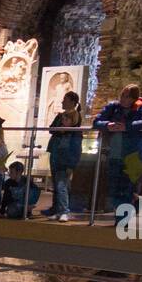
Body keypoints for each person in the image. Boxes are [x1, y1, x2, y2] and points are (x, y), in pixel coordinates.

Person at [93, 83, 142, 213]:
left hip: (132, 155)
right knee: (114, 187)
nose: (123, 99)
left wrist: (127, 126)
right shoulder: (113, 107)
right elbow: (97, 121)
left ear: (134, 98)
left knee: (127, 187)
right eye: (122, 95)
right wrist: (107, 125)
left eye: (127, 97)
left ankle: (122, 217)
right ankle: (120, 213)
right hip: (114, 153)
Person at [43, 90, 82, 221]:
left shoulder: (75, 121)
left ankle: (64, 210)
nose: (62, 101)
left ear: (72, 102)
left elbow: (75, 145)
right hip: (56, 153)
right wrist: (59, 129)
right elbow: (52, 128)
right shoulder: (60, 116)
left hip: (65, 157)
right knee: (56, 183)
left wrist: (72, 163)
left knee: (61, 184)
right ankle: (57, 209)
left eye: (65, 99)